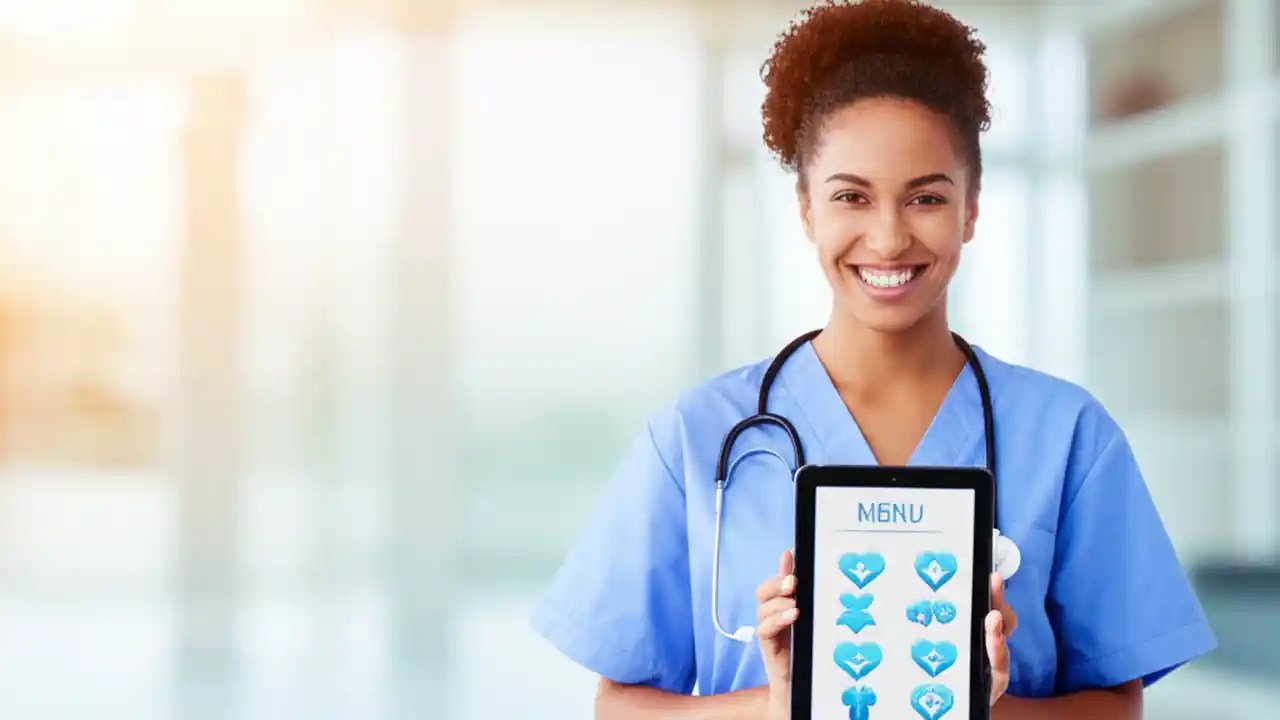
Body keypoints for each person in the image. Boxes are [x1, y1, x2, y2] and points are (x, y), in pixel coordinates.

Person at [529, 1, 1217, 718]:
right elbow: (619, 706)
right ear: (805, 209)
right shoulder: (694, 437)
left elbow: (1118, 706)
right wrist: (782, 704)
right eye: (851, 197)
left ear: (971, 208)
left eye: (925, 197)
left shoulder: (1069, 436)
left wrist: (977, 708)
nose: (888, 240)